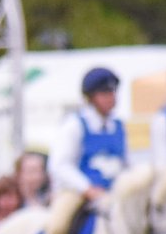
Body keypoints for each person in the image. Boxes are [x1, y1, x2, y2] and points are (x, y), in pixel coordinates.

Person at [48, 66, 128, 203]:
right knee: (60, 217)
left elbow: (125, 163)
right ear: (90, 97)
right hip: (78, 194)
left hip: (113, 195)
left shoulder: (118, 126)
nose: (111, 97)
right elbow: (59, 165)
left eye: (113, 92)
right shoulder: (74, 124)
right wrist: (87, 189)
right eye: (104, 93)